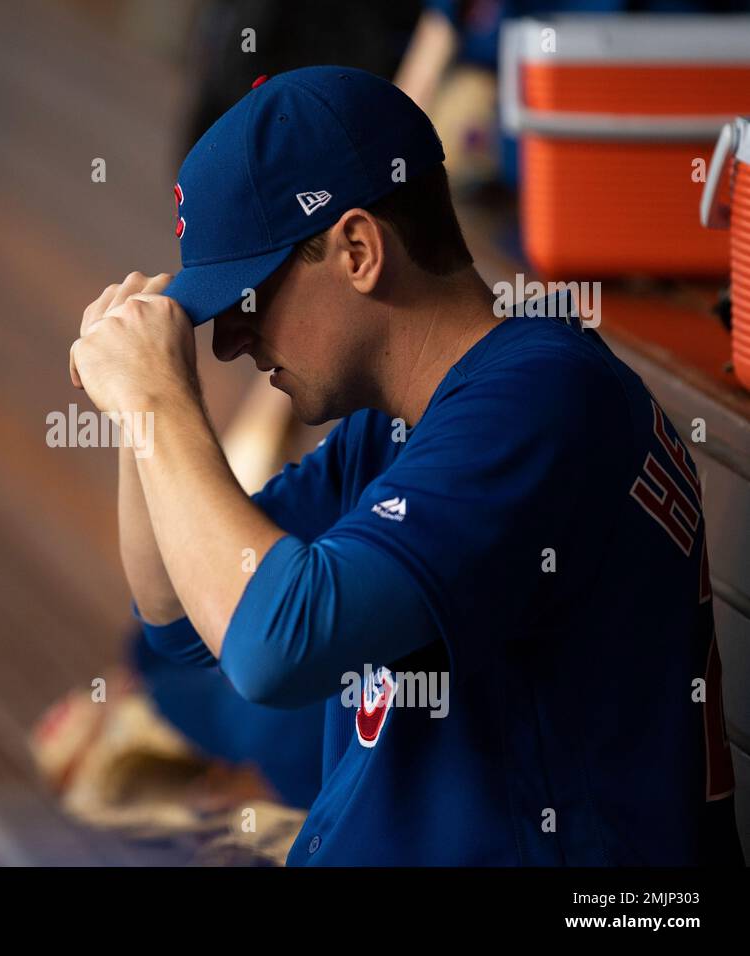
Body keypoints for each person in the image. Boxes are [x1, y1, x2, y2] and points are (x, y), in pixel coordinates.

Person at [68, 66, 740, 865]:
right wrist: (138, 407)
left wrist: (157, 402)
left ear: (357, 249)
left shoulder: (542, 400)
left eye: (246, 297)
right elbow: (185, 622)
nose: (227, 341)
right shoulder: (401, 422)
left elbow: (276, 649)